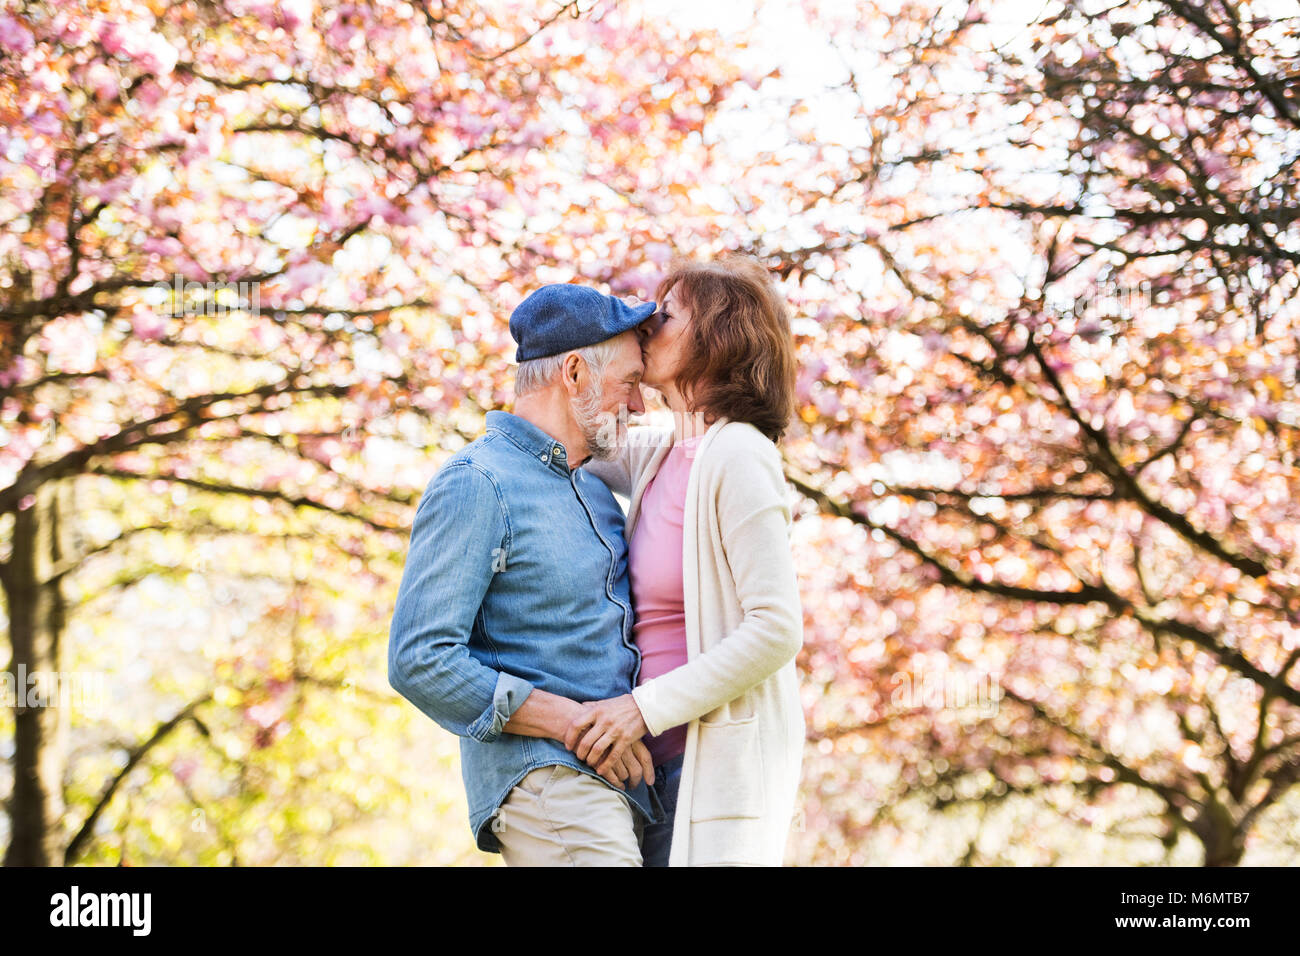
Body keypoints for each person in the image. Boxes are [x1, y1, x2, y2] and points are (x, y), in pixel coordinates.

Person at [387, 283, 665, 866]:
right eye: (630, 383)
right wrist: (574, 724)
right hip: (549, 784)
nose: (639, 406)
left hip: (618, 791)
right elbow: (420, 658)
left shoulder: (593, 486)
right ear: (573, 372)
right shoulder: (477, 483)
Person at [573, 254, 806, 867]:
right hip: (647, 768)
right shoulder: (663, 451)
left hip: (706, 771)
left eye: (666, 314)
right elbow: (566, 428)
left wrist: (639, 710)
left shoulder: (739, 455)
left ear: (717, 335)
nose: (647, 326)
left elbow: (777, 629)